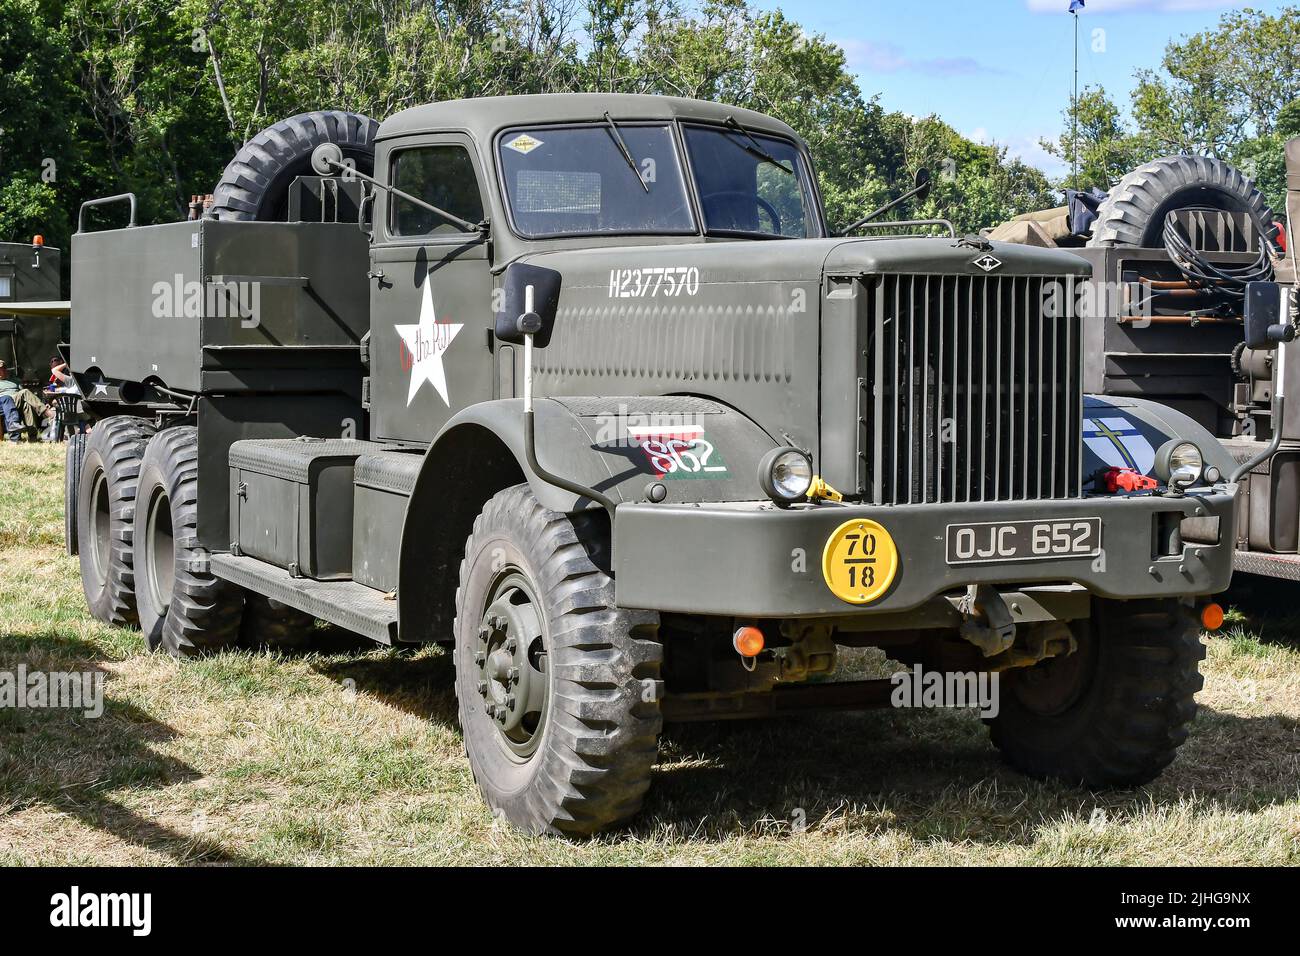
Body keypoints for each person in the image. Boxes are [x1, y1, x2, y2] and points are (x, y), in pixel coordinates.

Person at [0, 359, 56, 441]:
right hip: (4, 403)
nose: (1, 371)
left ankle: (32, 436)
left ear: (5, 369)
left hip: (16, 400)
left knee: (27, 405)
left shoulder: (15, 380)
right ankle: (47, 412)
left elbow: (22, 393)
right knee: (25, 392)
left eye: (1, 369)